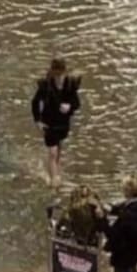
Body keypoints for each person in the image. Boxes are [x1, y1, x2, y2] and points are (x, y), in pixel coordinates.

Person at [30, 58, 81, 188]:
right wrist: (38, 121)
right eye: (56, 74)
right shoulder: (45, 85)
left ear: (64, 72)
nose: (58, 77)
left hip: (63, 122)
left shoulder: (70, 84)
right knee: (52, 151)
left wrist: (69, 107)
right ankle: (54, 179)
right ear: (52, 72)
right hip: (48, 121)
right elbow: (35, 102)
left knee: (58, 146)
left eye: (60, 74)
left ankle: (56, 169)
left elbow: (77, 103)